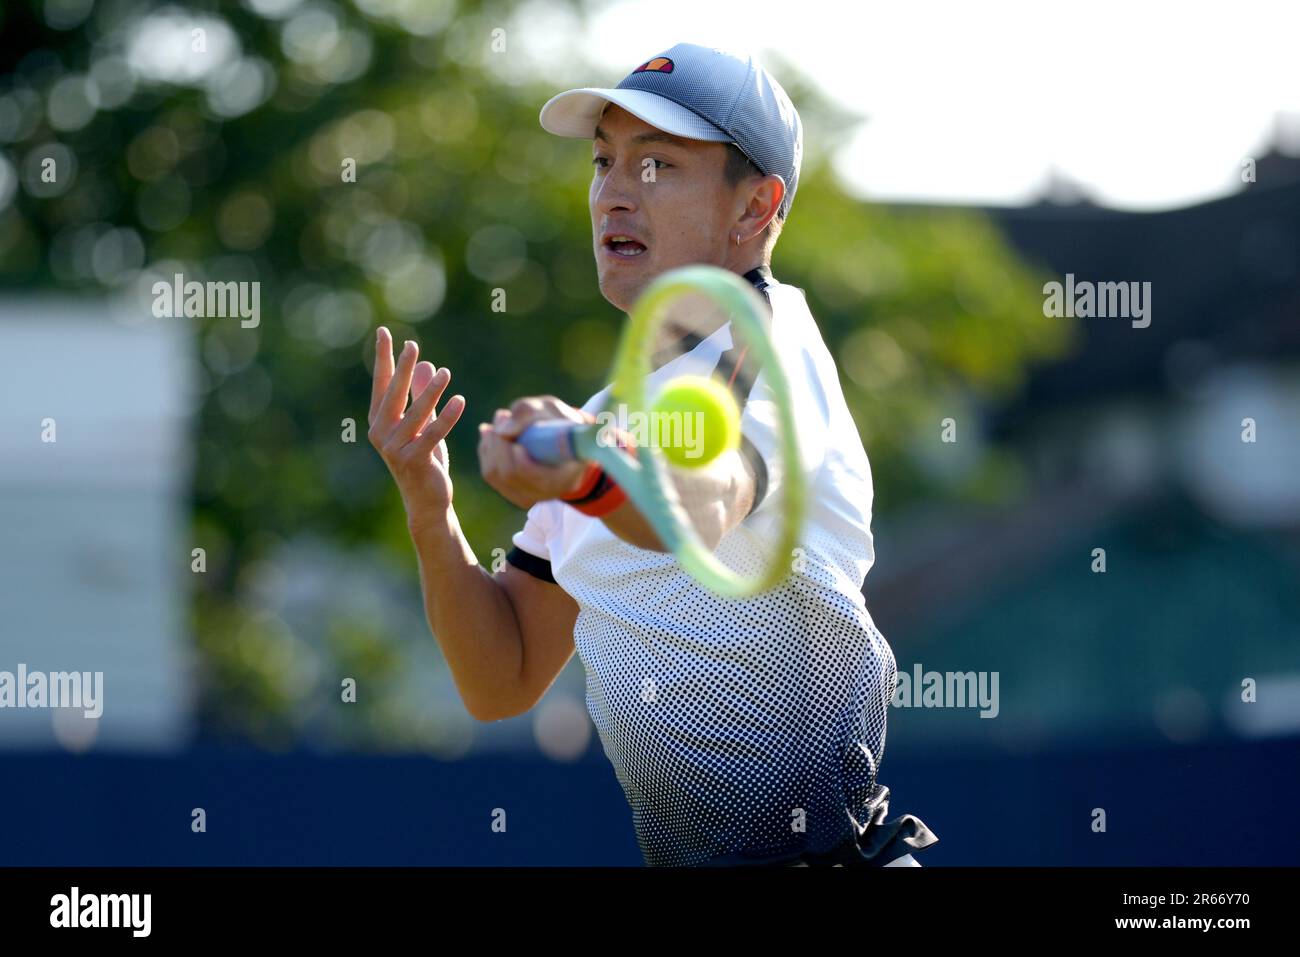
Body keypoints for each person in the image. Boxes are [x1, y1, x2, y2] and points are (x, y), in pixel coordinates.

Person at [367, 42, 936, 867]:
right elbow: (504, 676)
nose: (614, 193)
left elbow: (702, 505)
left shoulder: (763, 351)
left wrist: (590, 471)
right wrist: (431, 509)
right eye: (604, 161)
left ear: (755, 207)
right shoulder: (616, 414)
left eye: (659, 164)